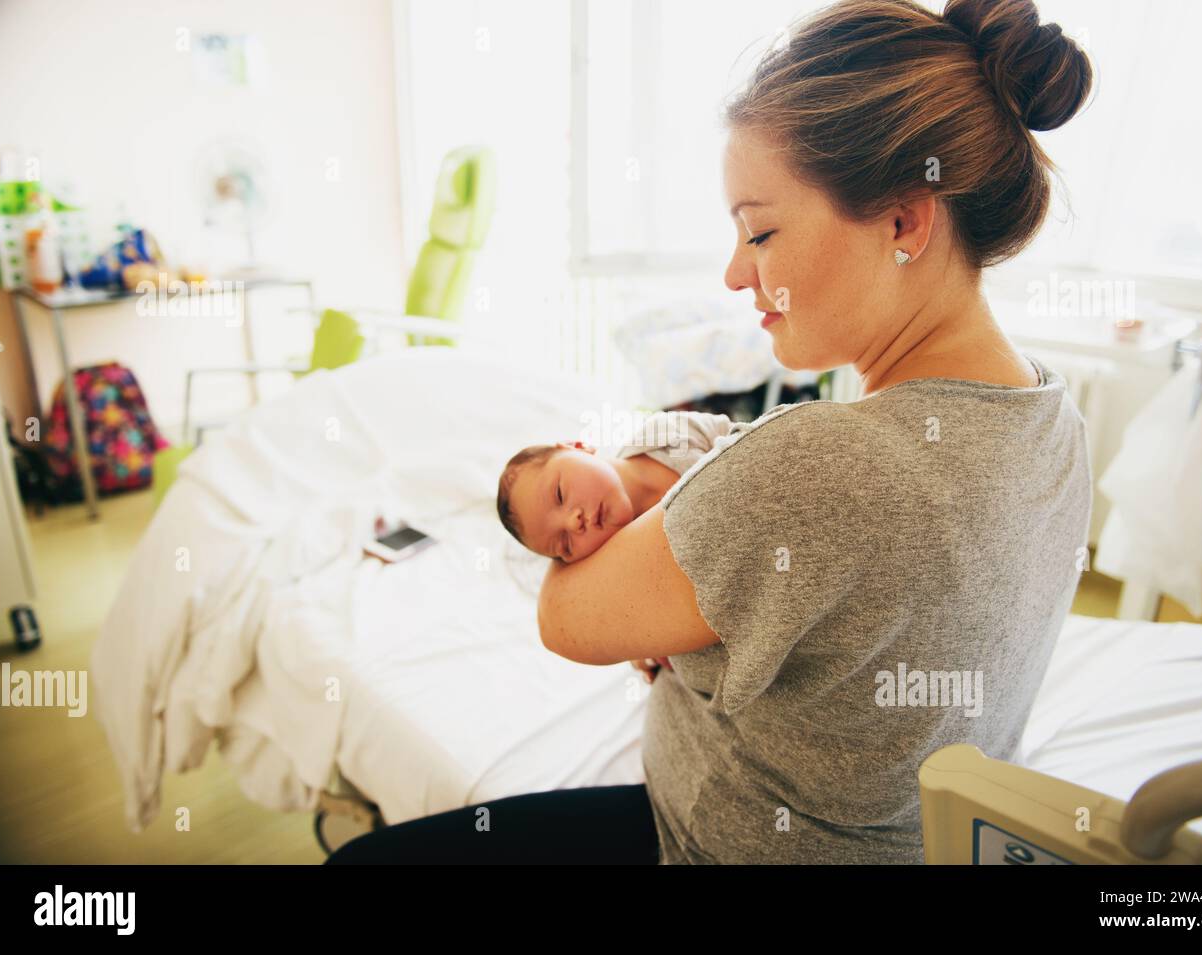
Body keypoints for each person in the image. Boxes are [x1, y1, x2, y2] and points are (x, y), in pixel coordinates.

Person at [327, 0, 1094, 865]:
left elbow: (568, 616)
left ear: (903, 222)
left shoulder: (819, 461)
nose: (736, 273)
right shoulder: (1057, 422)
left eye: (761, 230)